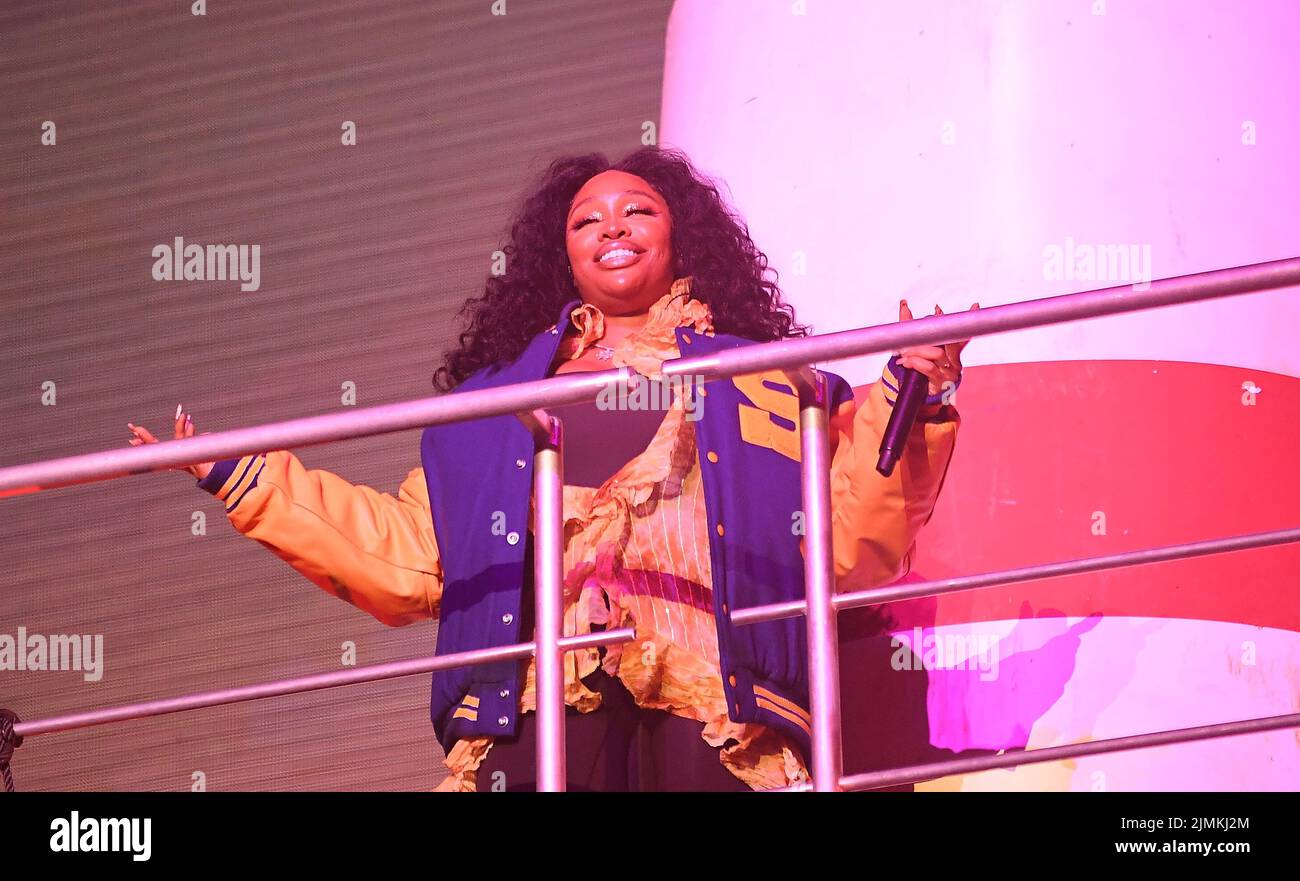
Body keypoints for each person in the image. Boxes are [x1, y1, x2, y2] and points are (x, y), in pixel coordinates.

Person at [128, 146, 975, 791]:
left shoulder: (768, 378)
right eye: (585, 219)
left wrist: (916, 391)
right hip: (531, 711)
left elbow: (847, 543)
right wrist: (244, 476)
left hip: (715, 712)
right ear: (560, 254)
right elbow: (411, 561)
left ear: (680, 232)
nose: (612, 227)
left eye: (637, 210)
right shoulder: (490, 410)